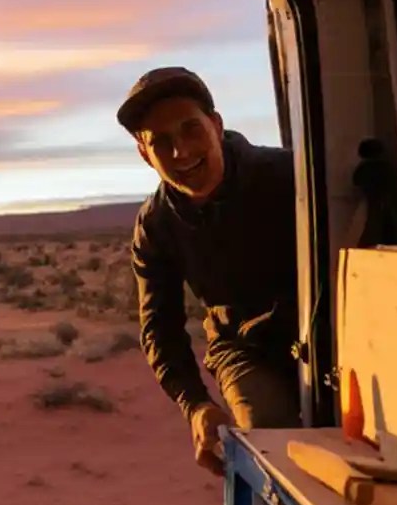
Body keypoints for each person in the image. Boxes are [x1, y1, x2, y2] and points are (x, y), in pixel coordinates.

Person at [119, 66, 301, 476]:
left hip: (329, 331)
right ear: (144, 154)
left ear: (216, 126)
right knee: (274, 456)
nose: (181, 152)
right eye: (161, 142)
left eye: (190, 130)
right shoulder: (155, 226)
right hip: (245, 348)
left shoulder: (293, 176)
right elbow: (159, 329)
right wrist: (195, 405)